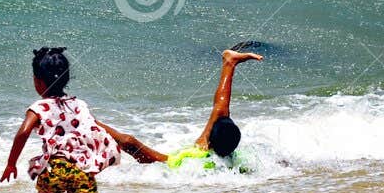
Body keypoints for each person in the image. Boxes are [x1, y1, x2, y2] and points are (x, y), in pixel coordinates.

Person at [0, 46, 126, 193]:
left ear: (37, 82)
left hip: (56, 167)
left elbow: (23, 132)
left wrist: (11, 163)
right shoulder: (79, 105)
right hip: (82, 169)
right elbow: (94, 131)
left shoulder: (39, 107)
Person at [98, 47, 264, 170]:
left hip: (172, 165)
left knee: (129, 142)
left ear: (208, 143)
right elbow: (222, 110)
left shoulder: (193, 160)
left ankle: (85, 120)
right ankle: (230, 62)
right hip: (207, 157)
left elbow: (131, 144)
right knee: (221, 114)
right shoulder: (239, 161)